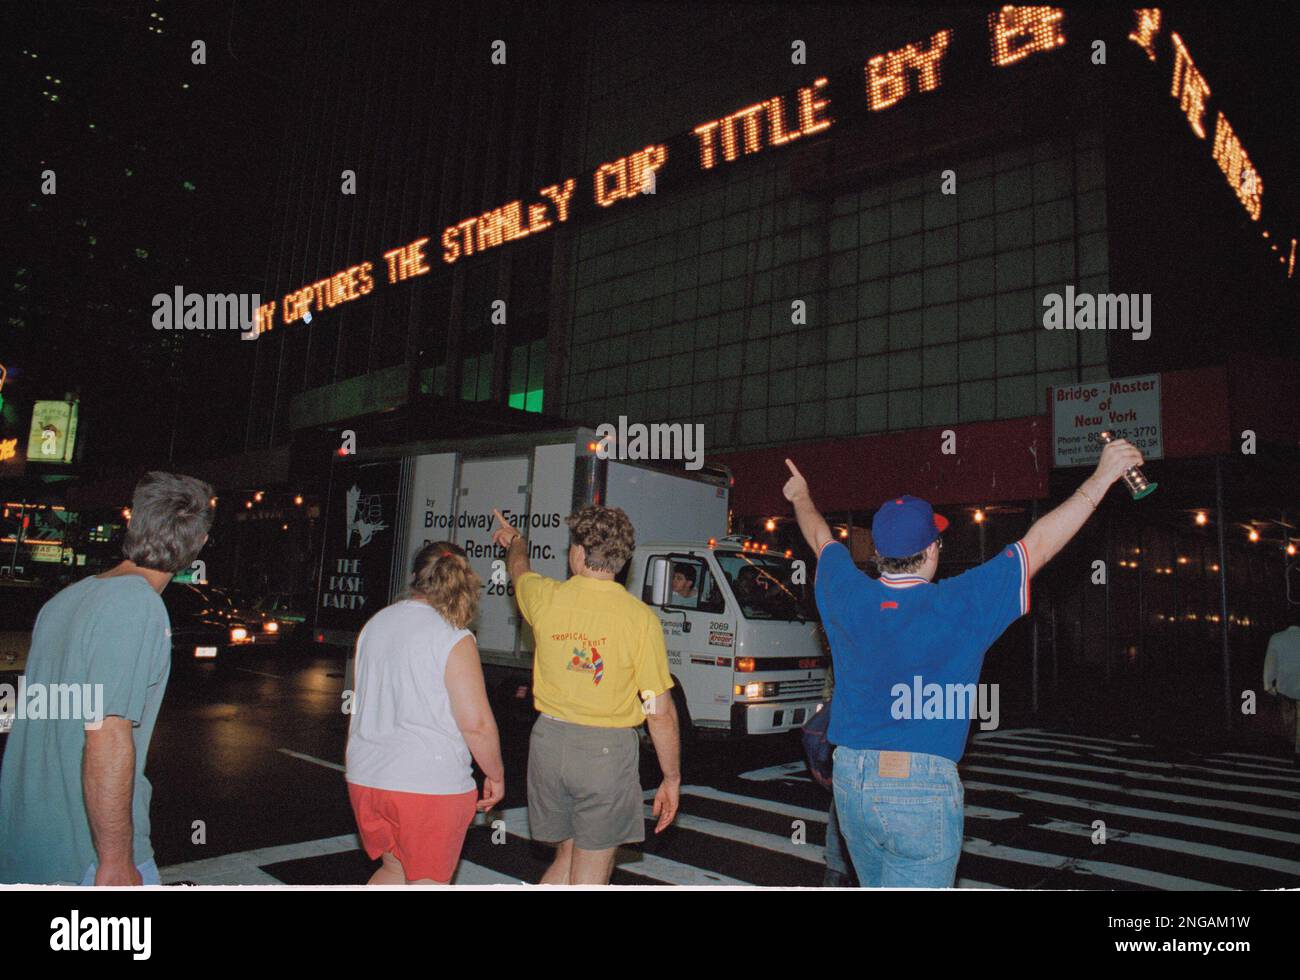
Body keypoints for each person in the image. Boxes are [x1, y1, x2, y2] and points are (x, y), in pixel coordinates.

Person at [782, 437, 1145, 887]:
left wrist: (800, 495)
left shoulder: (846, 591)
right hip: (921, 787)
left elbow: (820, 537)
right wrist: (1101, 478)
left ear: (877, 553)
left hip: (851, 782)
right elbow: (1039, 544)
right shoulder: (960, 604)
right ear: (933, 549)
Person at [0, 471, 214, 885]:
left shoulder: (66, 600)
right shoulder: (138, 606)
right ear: (200, 543)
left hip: (27, 845)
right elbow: (107, 735)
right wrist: (115, 861)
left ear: (132, 524)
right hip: (87, 855)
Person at [491, 504, 679, 885]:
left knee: (568, 856)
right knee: (591, 872)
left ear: (577, 551)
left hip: (548, 744)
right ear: (622, 561)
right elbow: (658, 711)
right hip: (605, 755)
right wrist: (671, 777)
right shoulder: (639, 619)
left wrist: (516, 541)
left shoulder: (545, 597)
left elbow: (518, 569)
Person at [345, 541, 505, 885]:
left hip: (367, 778)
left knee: (394, 871)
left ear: (416, 576)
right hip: (426, 786)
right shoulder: (453, 636)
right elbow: (475, 723)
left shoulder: (377, 623)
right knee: (428, 881)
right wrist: (495, 772)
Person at [1263, 615, 1300, 758]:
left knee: (1289, 720)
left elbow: (1270, 663)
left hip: (1285, 687)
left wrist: (1268, 684)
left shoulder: (1276, 638)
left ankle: (1293, 745)